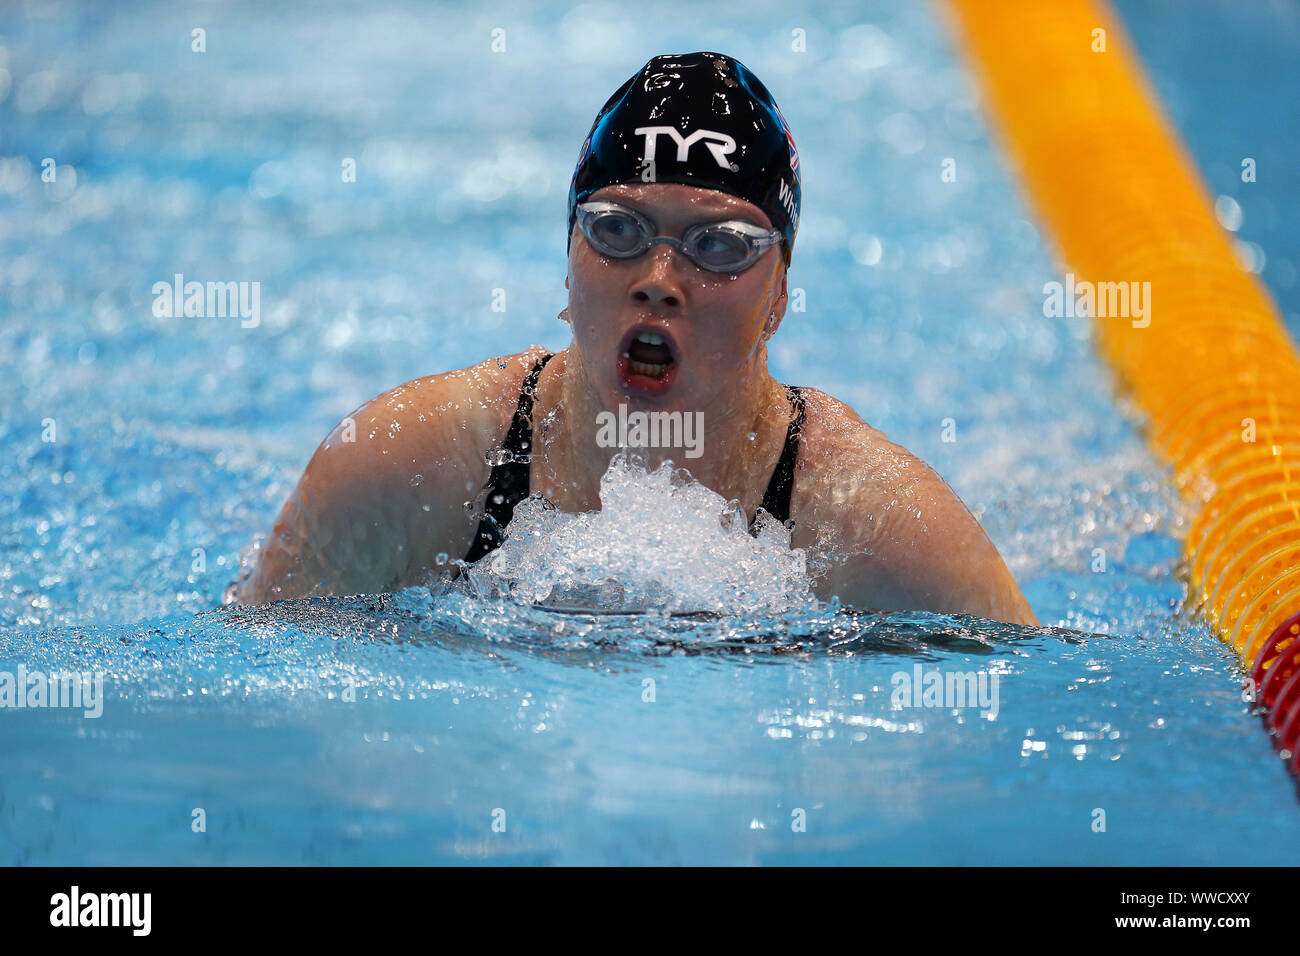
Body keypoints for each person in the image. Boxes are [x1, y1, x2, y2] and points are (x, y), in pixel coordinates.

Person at [234, 51, 1038, 627]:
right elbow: (252, 692)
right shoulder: (409, 464)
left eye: (719, 246)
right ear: (569, 261)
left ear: (780, 298)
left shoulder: (872, 524)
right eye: (618, 230)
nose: (658, 275)